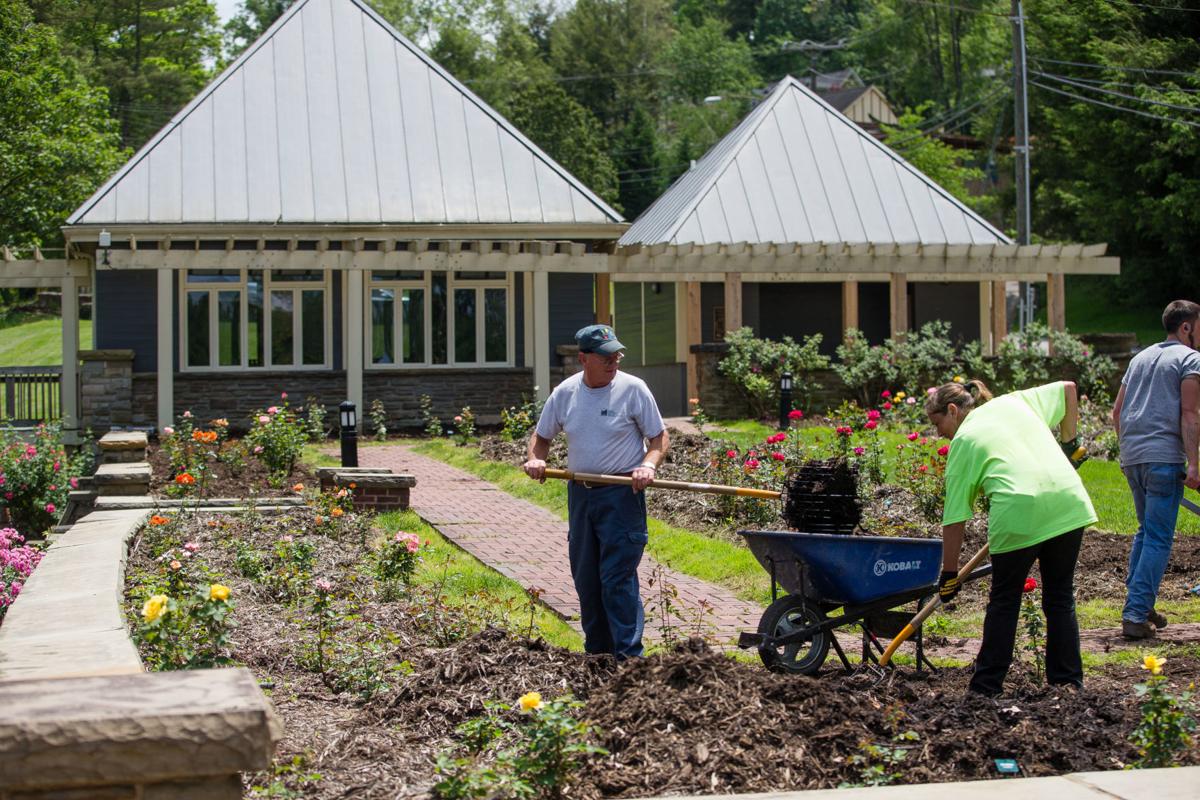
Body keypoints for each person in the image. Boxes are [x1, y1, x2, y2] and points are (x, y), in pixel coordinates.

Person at [928, 379, 1097, 696]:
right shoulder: (1016, 401)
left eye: (937, 423)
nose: (937, 433)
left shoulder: (963, 440)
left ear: (952, 410)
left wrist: (949, 573)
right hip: (1068, 502)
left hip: (1018, 511)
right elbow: (1068, 389)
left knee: (1005, 600)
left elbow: (954, 519)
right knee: (1060, 598)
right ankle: (1067, 684)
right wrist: (1070, 444)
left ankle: (985, 687)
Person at [522, 324, 668, 658]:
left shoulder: (633, 389)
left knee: (616, 579)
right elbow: (542, 437)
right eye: (605, 356)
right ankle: (598, 657)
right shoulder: (566, 393)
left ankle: (629, 659)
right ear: (583, 358)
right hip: (582, 496)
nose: (613, 360)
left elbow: (659, 437)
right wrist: (536, 460)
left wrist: (648, 464)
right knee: (587, 580)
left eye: (616, 354)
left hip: (621, 496)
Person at [1111, 300, 1200, 640]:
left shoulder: (1139, 358)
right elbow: (1190, 414)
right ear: (1186, 327)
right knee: (1159, 537)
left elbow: (1117, 413)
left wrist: (1127, 453)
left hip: (1133, 457)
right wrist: (1193, 464)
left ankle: (1140, 602)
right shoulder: (1190, 359)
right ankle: (1134, 614)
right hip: (1164, 457)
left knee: (1146, 532)